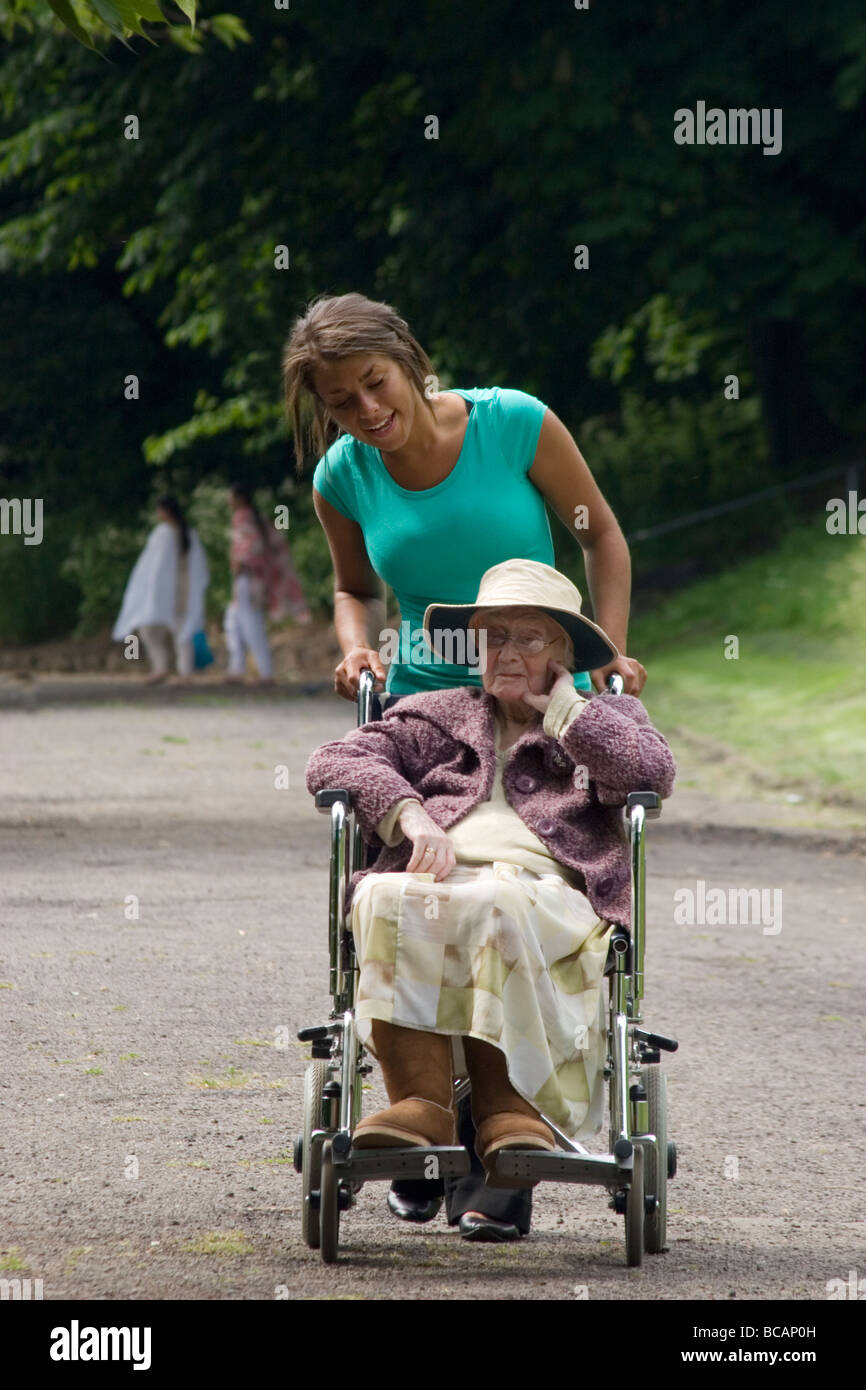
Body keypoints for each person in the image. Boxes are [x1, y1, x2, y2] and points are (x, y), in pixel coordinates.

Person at [282, 290, 647, 1238]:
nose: (365, 410)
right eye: (341, 400)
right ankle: (425, 1122)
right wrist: (356, 645)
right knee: (423, 885)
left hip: (542, 685)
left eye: (375, 383)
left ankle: (503, 1141)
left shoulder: (514, 425)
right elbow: (354, 587)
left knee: (511, 887)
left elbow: (598, 532)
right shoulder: (343, 474)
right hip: (425, 700)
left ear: (408, 358)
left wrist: (600, 660)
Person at [305, 559, 676, 1232]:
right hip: (441, 883)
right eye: (494, 636)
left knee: (498, 902)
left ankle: (511, 1110)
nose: (506, 652)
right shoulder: (439, 715)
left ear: (565, 654)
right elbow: (332, 762)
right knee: (380, 896)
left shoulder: (598, 721)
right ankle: (422, 1104)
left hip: (547, 895)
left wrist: (567, 712)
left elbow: (651, 771)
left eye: (529, 639)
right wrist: (411, 817)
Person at [112, 495, 209, 685]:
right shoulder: (187, 533)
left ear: (165, 511)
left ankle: (176, 671)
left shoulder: (164, 533)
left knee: (172, 630)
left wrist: (149, 592)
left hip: (171, 590)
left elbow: (155, 568)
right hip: (183, 589)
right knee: (173, 630)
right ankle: (170, 669)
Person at [225, 483, 312, 684]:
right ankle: (237, 669)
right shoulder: (257, 518)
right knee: (233, 621)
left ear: (239, 498)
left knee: (250, 622)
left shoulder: (243, 517)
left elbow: (249, 546)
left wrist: (242, 562)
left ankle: (265, 672)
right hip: (254, 578)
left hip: (248, 577)